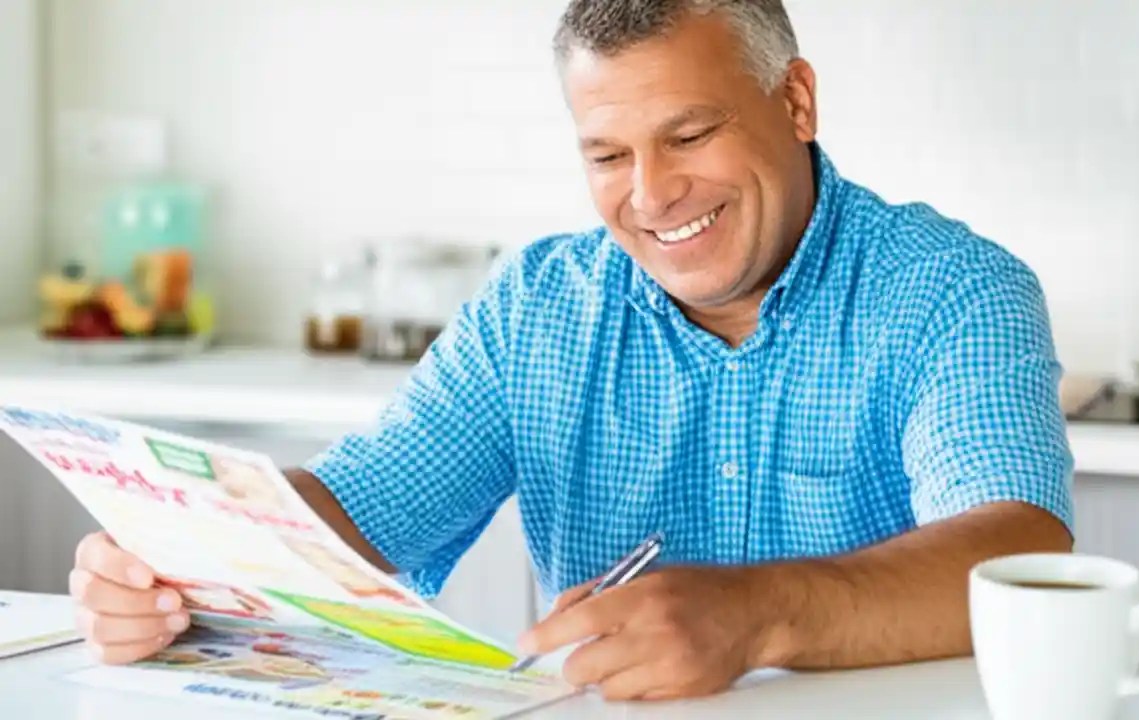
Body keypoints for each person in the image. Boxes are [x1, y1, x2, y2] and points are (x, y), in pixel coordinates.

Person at [66, 0, 1073, 702]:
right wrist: (183, 562)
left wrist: (757, 614)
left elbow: (1018, 551)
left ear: (795, 103)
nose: (649, 193)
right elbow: (361, 515)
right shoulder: (536, 307)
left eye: (687, 135)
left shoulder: (953, 290)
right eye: (605, 154)